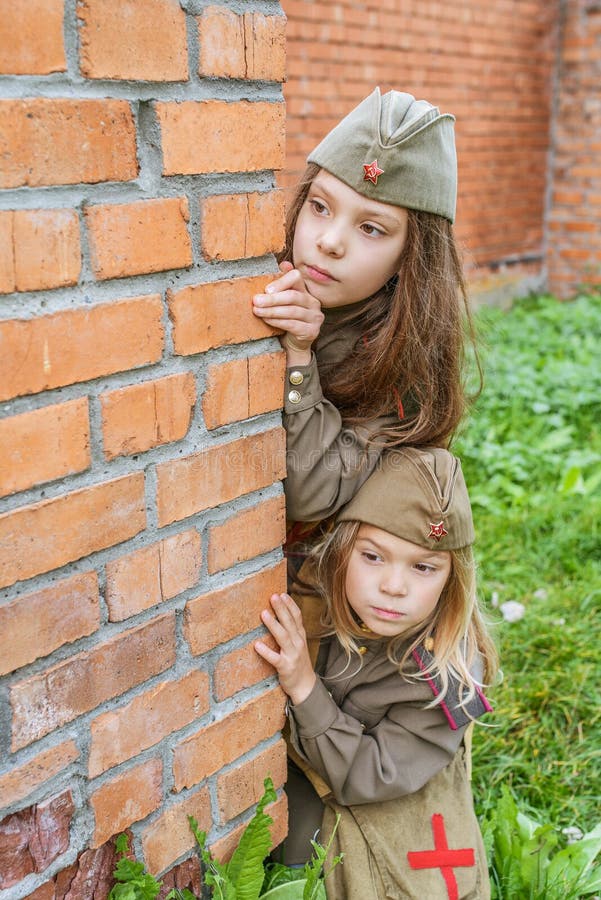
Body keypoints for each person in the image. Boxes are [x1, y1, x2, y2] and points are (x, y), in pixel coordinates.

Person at [255, 447, 497, 899]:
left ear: (452, 579)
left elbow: (373, 776)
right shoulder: (311, 591)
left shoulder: (444, 676)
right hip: (297, 775)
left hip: (373, 789)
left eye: (423, 567)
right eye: (373, 556)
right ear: (341, 552)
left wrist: (305, 687)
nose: (393, 586)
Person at [252, 87, 478, 526]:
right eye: (320, 206)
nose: (330, 242)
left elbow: (309, 493)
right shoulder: (256, 270)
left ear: (411, 257)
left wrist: (299, 357)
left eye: (371, 228)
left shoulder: (404, 365)